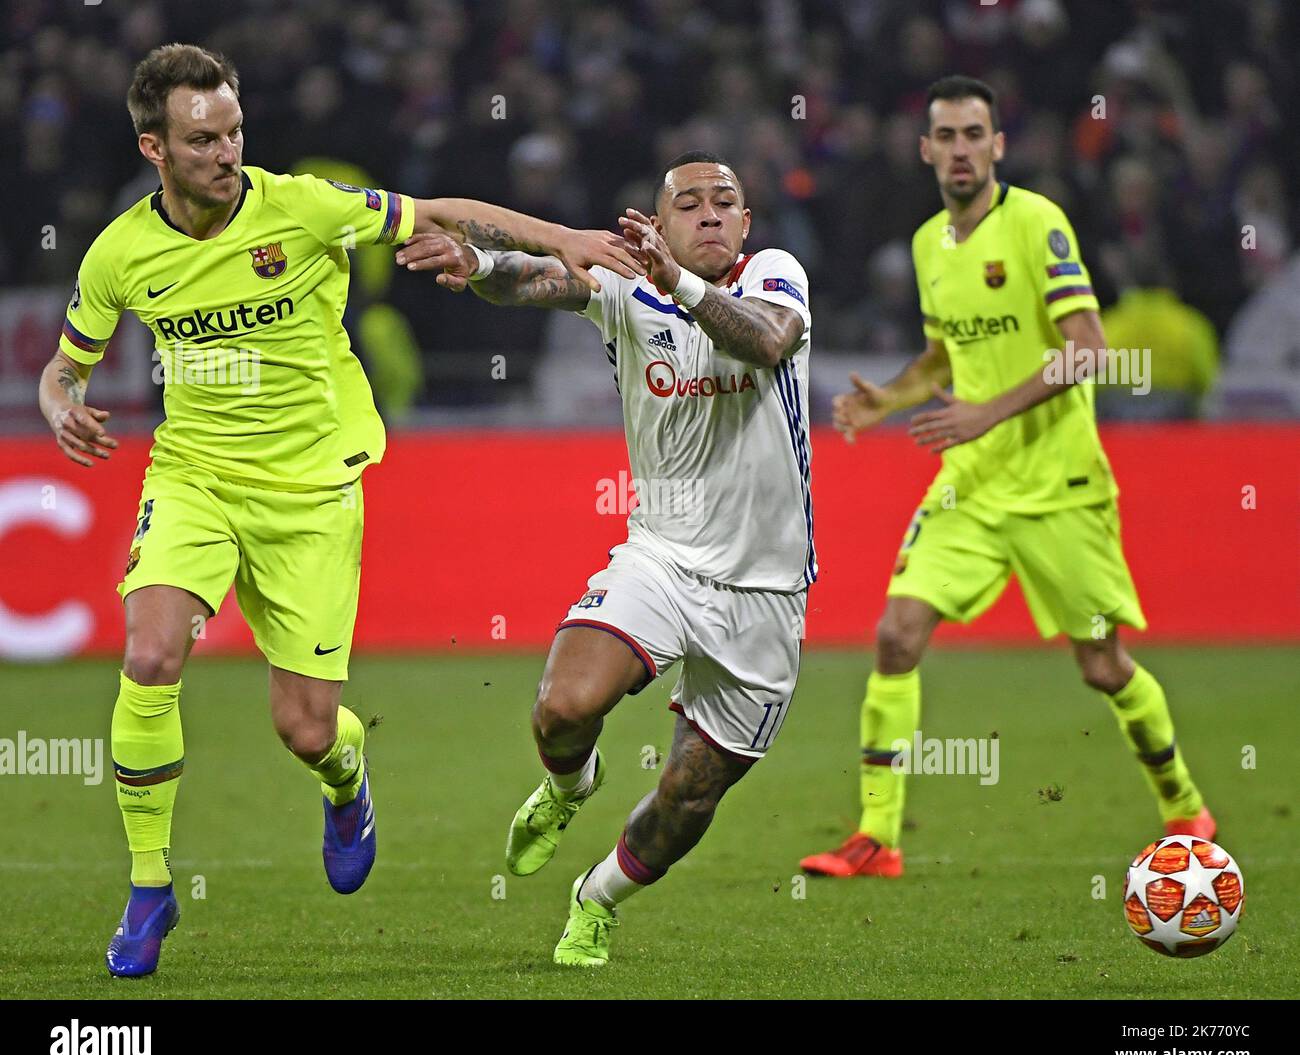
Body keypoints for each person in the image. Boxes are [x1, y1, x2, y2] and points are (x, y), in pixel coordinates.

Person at [36, 42, 637, 978]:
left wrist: (564, 239)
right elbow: (64, 363)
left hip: (313, 489)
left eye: (234, 129)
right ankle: (150, 888)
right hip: (193, 477)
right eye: (203, 138)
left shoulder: (303, 206)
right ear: (154, 148)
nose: (227, 151)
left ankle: (346, 780)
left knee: (307, 727)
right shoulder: (121, 252)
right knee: (149, 657)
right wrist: (58, 403)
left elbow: (445, 213)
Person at [397, 152, 814, 965]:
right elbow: (531, 280)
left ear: (747, 222)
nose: (708, 214)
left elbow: (766, 345)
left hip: (766, 591)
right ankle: (568, 784)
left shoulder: (773, 274)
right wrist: (477, 262)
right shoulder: (625, 282)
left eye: (724, 201)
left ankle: (597, 897)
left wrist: (684, 285)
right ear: (657, 223)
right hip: (661, 556)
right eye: (687, 203)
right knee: (561, 707)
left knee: (688, 797)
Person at [798, 76, 1213, 880]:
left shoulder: (1036, 224)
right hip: (973, 484)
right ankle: (878, 835)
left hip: (1060, 482)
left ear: (997, 145)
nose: (959, 149)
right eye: (944, 135)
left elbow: (1089, 346)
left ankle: (1184, 805)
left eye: (973, 134)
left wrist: (987, 412)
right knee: (895, 634)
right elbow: (946, 355)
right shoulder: (928, 245)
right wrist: (889, 397)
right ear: (926, 150)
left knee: (1102, 665)